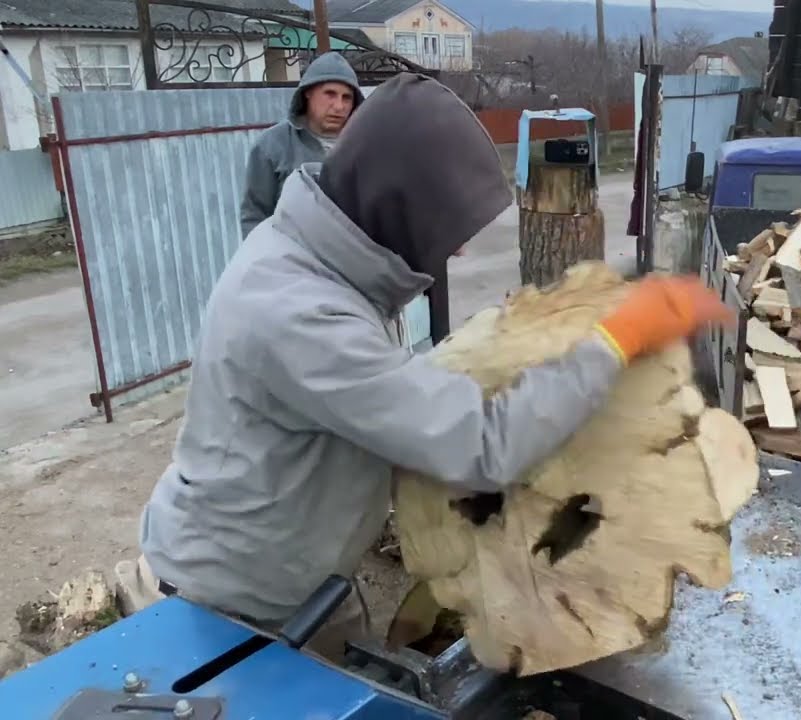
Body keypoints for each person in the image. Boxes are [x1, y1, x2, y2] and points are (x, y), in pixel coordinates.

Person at [117, 73, 731, 660]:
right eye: (446, 229)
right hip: (225, 610)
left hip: (297, 582)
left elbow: (388, 392)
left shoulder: (317, 255)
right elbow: (483, 444)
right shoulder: (298, 313)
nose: (456, 250)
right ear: (398, 207)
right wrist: (617, 340)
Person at [239, 52, 363, 238]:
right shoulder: (272, 146)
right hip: (291, 252)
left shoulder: (365, 145)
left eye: (346, 97)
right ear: (308, 92)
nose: (339, 106)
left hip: (352, 253)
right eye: (330, 94)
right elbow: (254, 216)